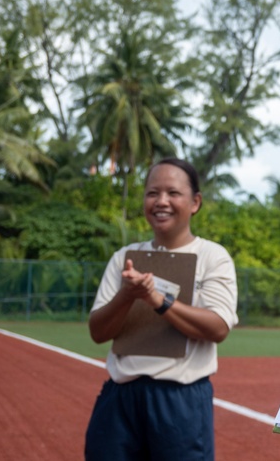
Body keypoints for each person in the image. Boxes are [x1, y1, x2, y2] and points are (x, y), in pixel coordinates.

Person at [85, 158, 238, 461]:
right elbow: (98, 332)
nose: (161, 202)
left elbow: (218, 327)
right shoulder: (125, 258)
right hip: (120, 398)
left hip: (180, 401)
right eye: (152, 193)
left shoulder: (212, 256)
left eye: (173, 193)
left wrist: (159, 300)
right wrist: (127, 295)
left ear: (195, 202)